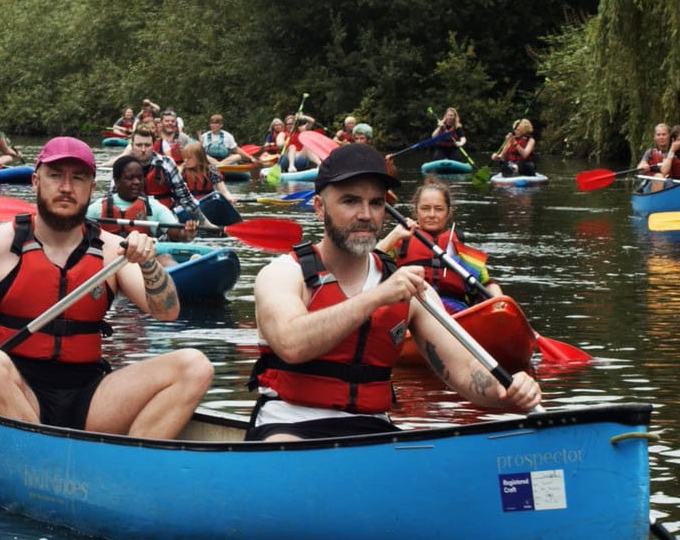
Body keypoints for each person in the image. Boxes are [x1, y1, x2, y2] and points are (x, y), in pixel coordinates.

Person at [247, 146, 540, 441]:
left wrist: (507, 391)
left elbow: (463, 369)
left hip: (372, 429)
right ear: (320, 207)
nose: (365, 214)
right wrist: (377, 297)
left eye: (375, 203)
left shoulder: (410, 290)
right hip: (288, 425)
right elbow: (291, 344)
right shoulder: (283, 274)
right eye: (350, 201)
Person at [0, 138, 213, 437]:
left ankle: (129, 468)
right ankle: (40, 462)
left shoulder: (112, 250)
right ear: (35, 181)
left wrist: (149, 263)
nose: (66, 187)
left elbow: (168, 312)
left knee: (195, 366)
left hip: (89, 393)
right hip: (13, 386)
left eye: (78, 178)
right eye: (56, 176)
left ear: (91, 187)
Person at [376, 180, 503, 310]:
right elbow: (370, 264)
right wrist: (393, 236)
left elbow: (486, 283)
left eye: (439, 209)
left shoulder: (459, 246)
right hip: (411, 308)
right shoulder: (399, 241)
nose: (431, 215)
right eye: (425, 208)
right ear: (416, 211)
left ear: (448, 212)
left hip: (455, 313)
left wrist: (498, 298)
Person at [89, 154, 188, 252]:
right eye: (130, 178)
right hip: (109, 258)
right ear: (116, 181)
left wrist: (188, 233)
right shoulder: (97, 208)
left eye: (140, 178)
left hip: (144, 258)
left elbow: (178, 234)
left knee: (166, 259)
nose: (137, 182)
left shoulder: (153, 207)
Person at [127, 127, 196, 235]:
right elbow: (112, 197)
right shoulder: (122, 166)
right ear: (132, 145)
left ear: (153, 145)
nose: (143, 149)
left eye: (148, 145)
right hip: (132, 220)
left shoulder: (167, 163)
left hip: (164, 220)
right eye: (139, 145)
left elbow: (184, 197)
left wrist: (205, 223)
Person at [177, 142, 240, 210]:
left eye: (189, 158)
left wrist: (230, 198)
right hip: (190, 204)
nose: (185, 161)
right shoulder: (182, 170)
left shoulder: (211, 170)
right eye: (184, 158)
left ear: (199, 157)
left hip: (208, 204)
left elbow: (223, 191)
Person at [635, 123, 671, 189]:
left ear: (669, 136)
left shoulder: (674, 152)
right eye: (658, 135)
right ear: (654, 137)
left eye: (664, 134)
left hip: (670, 183)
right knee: (658, 176)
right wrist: (643, 166)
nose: (661, 137)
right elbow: (641, 167)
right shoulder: (650, 152)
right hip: (651, 184)